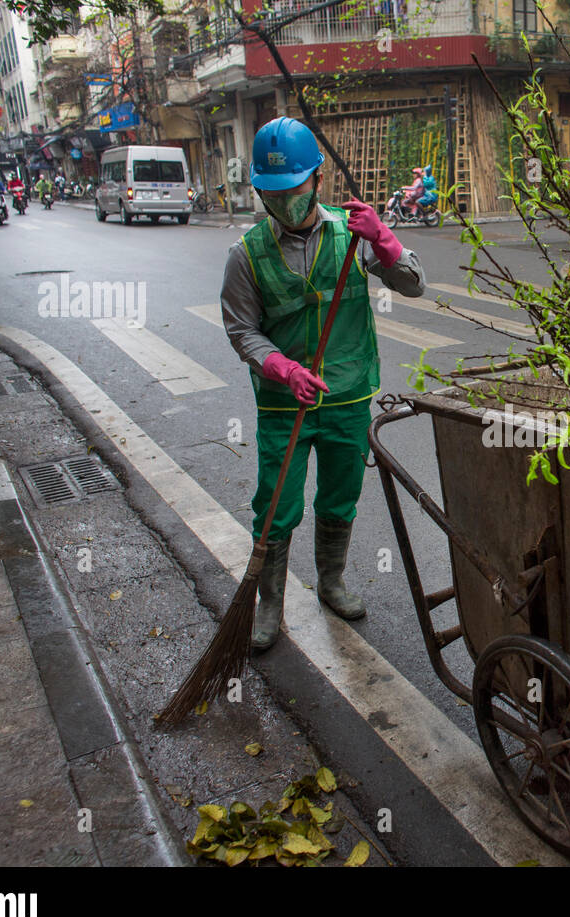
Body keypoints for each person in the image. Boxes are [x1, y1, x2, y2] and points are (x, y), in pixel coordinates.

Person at [220, 117, 426, 651]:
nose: (286, 200)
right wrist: (282, 368)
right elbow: (242, 329)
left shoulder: (351, 233)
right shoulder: (245, 256)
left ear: (315, 181)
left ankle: (331, 581)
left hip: (348, 397)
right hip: (284, 403)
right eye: (273, 192)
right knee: (276, 506)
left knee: (340, 498)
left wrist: (384, 240)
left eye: (295, 189)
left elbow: (415, 286)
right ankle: (270, 604)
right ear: (261, 193)